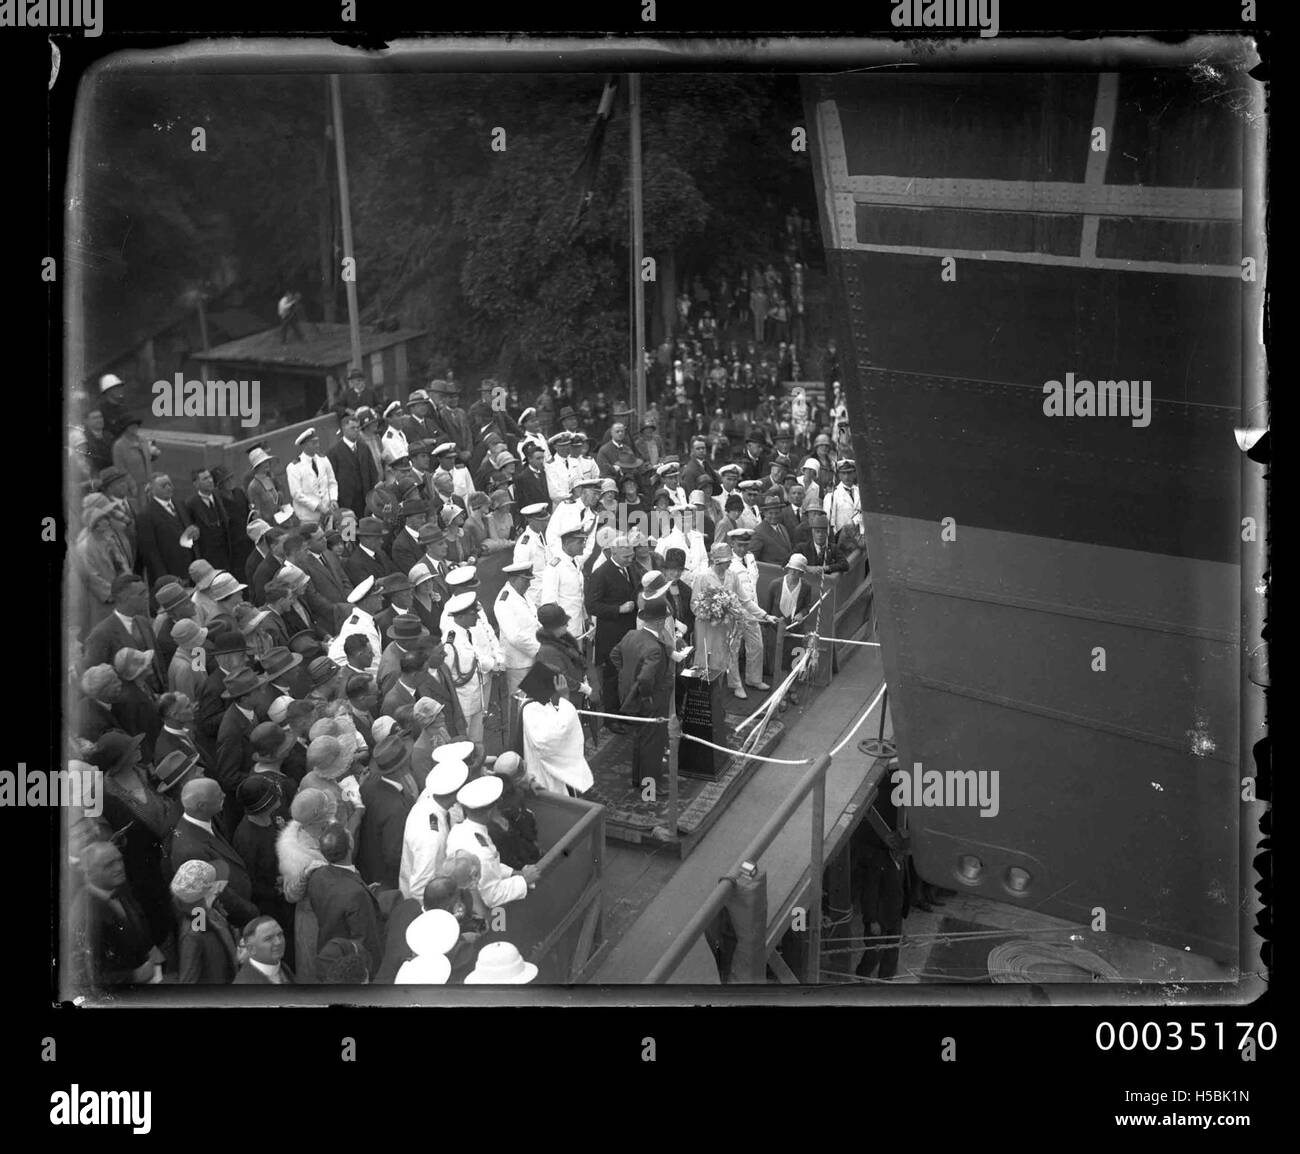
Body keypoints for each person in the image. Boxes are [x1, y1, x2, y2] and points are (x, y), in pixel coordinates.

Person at [68, 841, 165, 989]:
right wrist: (134, 976)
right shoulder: (84, 915)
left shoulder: (117, 885)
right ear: (89, 872)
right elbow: (84, 976)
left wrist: (150, 949)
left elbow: (135, 921)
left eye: (119, 860)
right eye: (109, 865)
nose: (119, 867)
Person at [444, 775, 540, 915]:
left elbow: (491, 867)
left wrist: (513, 873)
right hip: (487, 912)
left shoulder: (459, 830)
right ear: (490, 811)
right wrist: (524, 880)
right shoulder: (481, 852)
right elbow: (492, 896)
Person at [610, 598, 675, 791]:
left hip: (632, 698)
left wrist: (628, 676)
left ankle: (639, 781)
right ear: (660, 621)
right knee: (652, 744)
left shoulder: (631, 634)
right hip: (651, 701)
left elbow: (615, 655)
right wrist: (647, 695)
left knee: (640, 739)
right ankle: (650, 789)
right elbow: (647, 679)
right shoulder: (654, 648)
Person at [306, 823, 384, 978]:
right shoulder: (356, 895)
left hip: (329, 951)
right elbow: (367, 941)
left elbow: (335, 900)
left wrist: (364, 891)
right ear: (350, 845)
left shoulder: (317, 875)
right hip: (351, 967)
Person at [584, 534, 642, 734]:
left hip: (630, 632)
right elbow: (591, 606)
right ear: (613, 553)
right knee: (611, 677)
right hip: (610, 635)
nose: (630, 560)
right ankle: (612, 718)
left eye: (631, 555)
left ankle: (626, 713)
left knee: (628, 674)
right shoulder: (601, 574)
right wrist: (618, 609)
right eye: (626, 556)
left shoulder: (631, 567)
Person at [399, 756, 469, 901]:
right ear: (457, 792)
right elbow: (420, 889)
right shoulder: (432, 837)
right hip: (430, 906)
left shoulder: (427, 804)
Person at [518, 662, 593, 797]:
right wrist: (565, 698)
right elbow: (549, 739)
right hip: (543, 774)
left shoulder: (538, 703)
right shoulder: (532, 709)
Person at [356, 733, 418, 891]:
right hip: (386, 881)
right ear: (404, 765)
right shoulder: (396, 808)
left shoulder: (367, 785)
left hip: (367, 866)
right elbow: (394, 855)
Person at [442, 591, 502, 746]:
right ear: (460, 616)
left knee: (477, 737)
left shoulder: (467, 632)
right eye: (472, 614)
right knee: (465, 741)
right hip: (464, 700)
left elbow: (476, 656)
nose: (477, 616)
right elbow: (450, 674)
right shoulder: (451, 642)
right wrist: (494, 665)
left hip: (476, 694)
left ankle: (479, 765)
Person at [172, 858, 239, 984]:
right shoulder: (194, 931)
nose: (218, 887)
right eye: (212, 883)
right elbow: (188, 982)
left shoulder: (209, 912)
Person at [136, 473, 199, 590]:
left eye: (170, 484)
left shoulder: (180, 505)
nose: (168, 488)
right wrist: (164, 578)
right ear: (152, 489)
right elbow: (150, 552)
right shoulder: (146, 515)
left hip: (191, 571)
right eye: (163, 485)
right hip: (170, 575)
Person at [495, 560, 540, 698]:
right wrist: (539, 649)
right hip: (520, 664)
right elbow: (514, 636)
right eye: (526, 581)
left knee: (539, 701)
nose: (529, 584)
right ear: (515, 579)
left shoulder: (522, 594)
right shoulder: (504, 601)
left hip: (535, 659)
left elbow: (534, 620)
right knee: (522, 705)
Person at [286, 427, 339, 528]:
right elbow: (296, 494)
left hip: (327, 514)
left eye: (317, 442)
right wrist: (317, 506)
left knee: (331, 539)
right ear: (305, 445)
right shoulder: (294, 467)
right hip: (308, 518)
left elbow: (332, 482)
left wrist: (333, 499)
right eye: (313, 443)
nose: (317, 445)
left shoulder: (323, 459)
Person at [233, 915, 294, 984]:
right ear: (251, 948)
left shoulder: (284, 969)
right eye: (268, 938)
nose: (278, 942)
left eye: (280, 934)